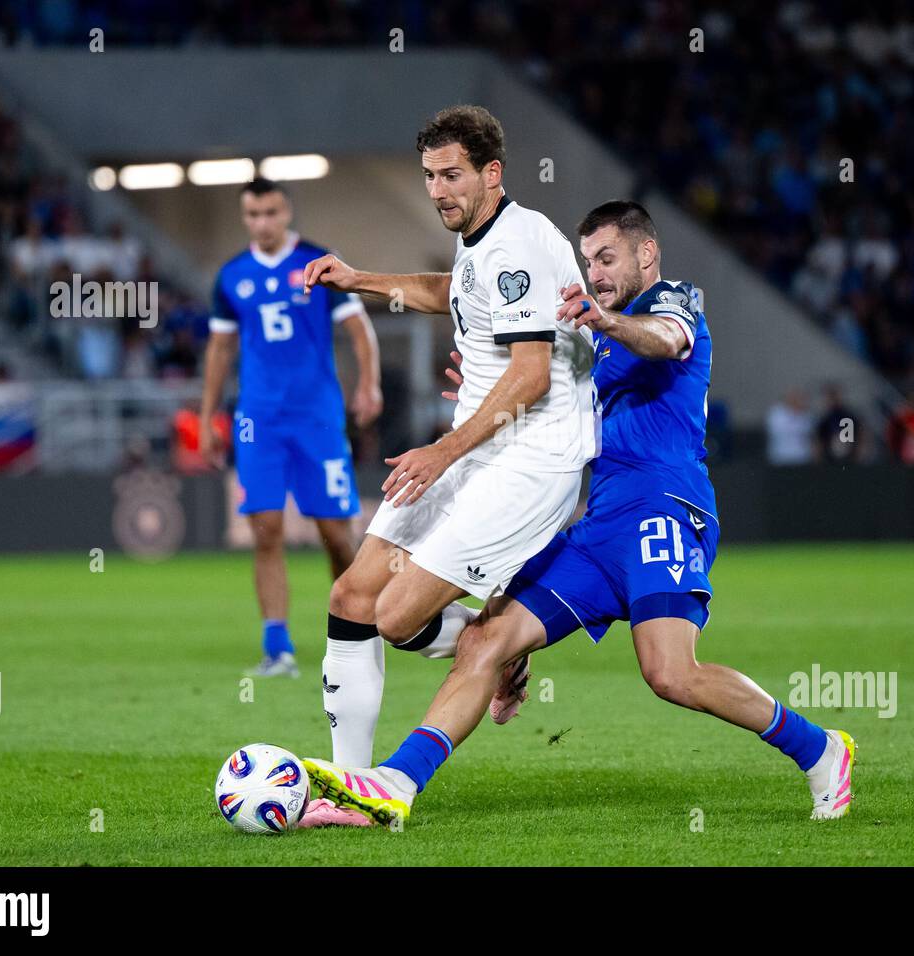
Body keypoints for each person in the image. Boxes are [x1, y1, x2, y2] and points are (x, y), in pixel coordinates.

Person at [298, 201, 855, 828]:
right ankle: (392, 788)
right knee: (485, 637)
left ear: (646, 252)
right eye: (589, 261)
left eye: (607, 258)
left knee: (669, 673)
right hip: (597, 524)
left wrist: (606, 321)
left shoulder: (674, 302)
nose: (596, 273)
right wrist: (477, 378)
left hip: (664, 509)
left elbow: (667, 341)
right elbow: (462, 298)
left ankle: (822, 750)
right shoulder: (586, 331)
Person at [301, 106, 598, 801]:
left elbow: (530, 376)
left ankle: (495, 645)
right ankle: (348, 781)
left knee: (397, 616)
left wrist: (440, 451)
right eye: (430, 175)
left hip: (529, 461)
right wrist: (361, 278)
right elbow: (456, 293)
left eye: (452, 174)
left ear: (492, 173)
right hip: (476, 445)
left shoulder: (520, 242)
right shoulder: (478, 239)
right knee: (351, 594)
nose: (438, 189)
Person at [199, 178, 383, 678]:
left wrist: (369, 383)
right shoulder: (231, 277)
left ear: (286, 213)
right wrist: (207, 415)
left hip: (317, 418)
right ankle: (277, 648)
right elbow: (219, 350)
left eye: (270, 213)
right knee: (265, 530)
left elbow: (357, 327)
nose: (262, 222)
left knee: (334, 535)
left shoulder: (318, 262)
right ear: (245, 218)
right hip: (257, 421)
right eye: (253, 214)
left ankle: (356, 632)